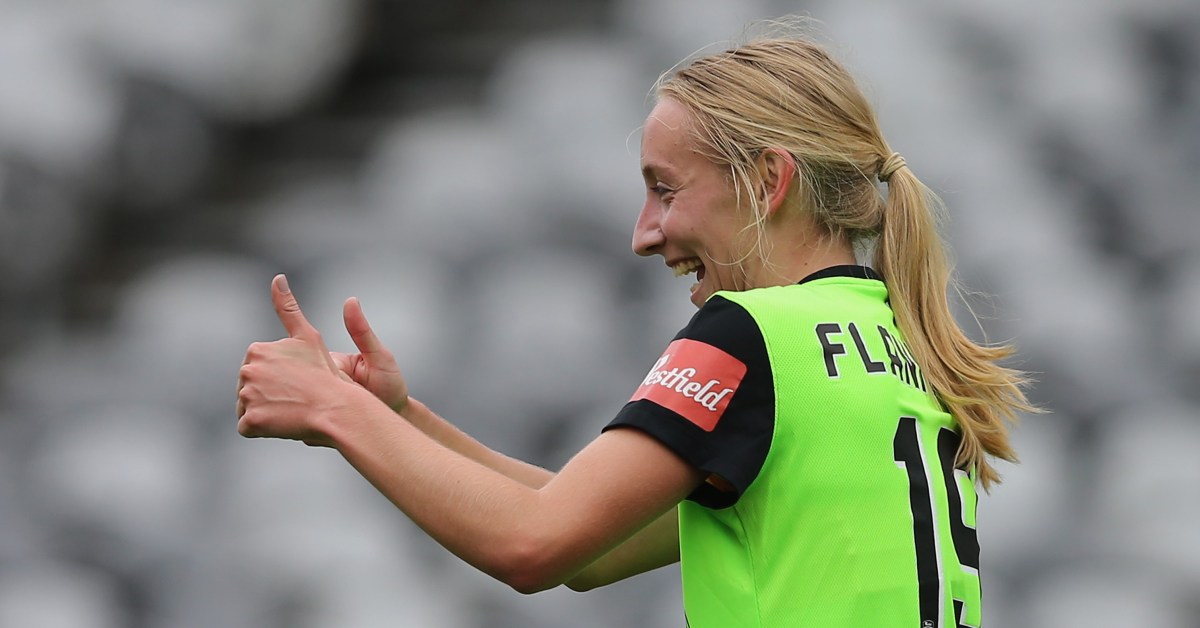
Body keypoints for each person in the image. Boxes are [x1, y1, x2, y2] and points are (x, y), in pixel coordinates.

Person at [236, 27, 1034, 627]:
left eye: (665, 189)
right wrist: (396, 418)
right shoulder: (904, 348)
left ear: (769, 180)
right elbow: (594, 545)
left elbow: (533, 546)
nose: (644, 232)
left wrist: (333, 411)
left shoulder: (755, 334)